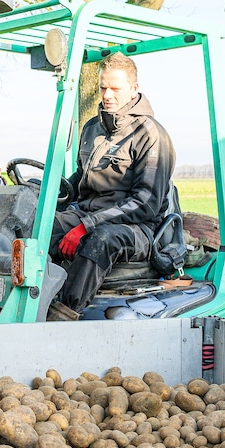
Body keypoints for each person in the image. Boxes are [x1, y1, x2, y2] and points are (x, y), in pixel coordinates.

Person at [48, 52, 176, 318]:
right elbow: (80, 178)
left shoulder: (150, 134)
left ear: (134, 89)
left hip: (139, 228)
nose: (107, 95)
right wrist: (47, 196)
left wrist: (87, 226)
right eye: (103, 87)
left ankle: (63, 315)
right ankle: (27, 300)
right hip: (88, 215)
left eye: (115, 88)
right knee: (41, 225)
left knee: (102, 239)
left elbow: (145, 203)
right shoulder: (91, 128)